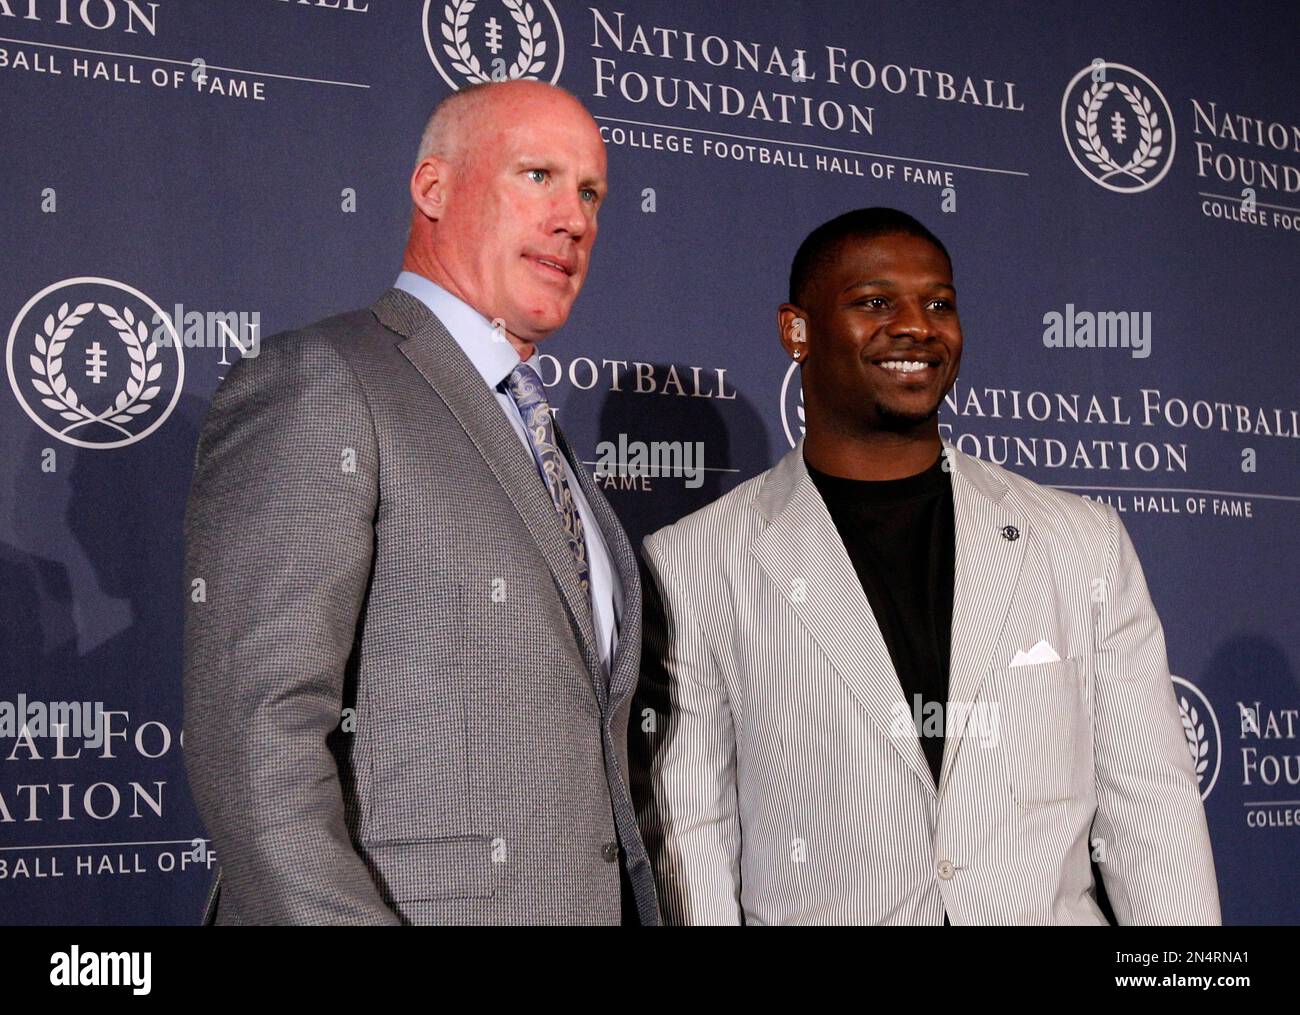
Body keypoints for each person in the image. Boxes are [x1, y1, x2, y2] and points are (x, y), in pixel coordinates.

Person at [631, 207, 1220, 925]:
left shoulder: (1079, 540)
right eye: (875, 302)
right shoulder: (693, 563)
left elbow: (1150, 798)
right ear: (798, 330)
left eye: (938, 302)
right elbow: (692, 832)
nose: (916, 325)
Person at [183, 80, 659, 925]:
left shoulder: (534, 429)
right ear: (433, 188)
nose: (575, 218)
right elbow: (257, 736)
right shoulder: (327, 382)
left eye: (590, 193)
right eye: (538, 175)